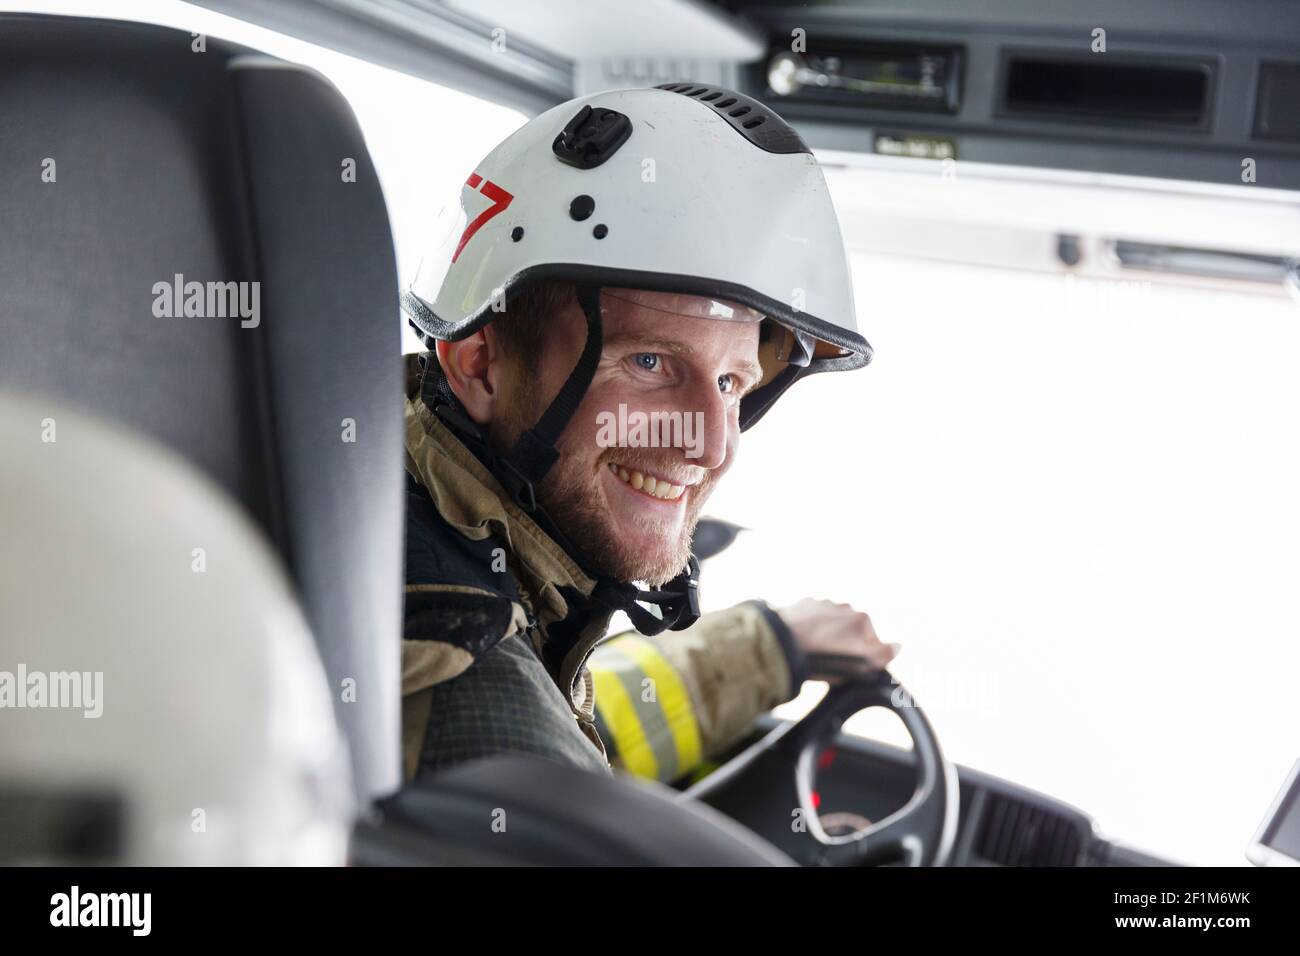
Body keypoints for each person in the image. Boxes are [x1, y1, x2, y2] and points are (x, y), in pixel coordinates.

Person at [398, 84, 898, 784]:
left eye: (731, 383)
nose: (712, 445)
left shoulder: (431, 540)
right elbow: (544, 753)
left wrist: (769, 647)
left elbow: (584, 723)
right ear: (480, 362)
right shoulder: (475, 717)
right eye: (651, 362)